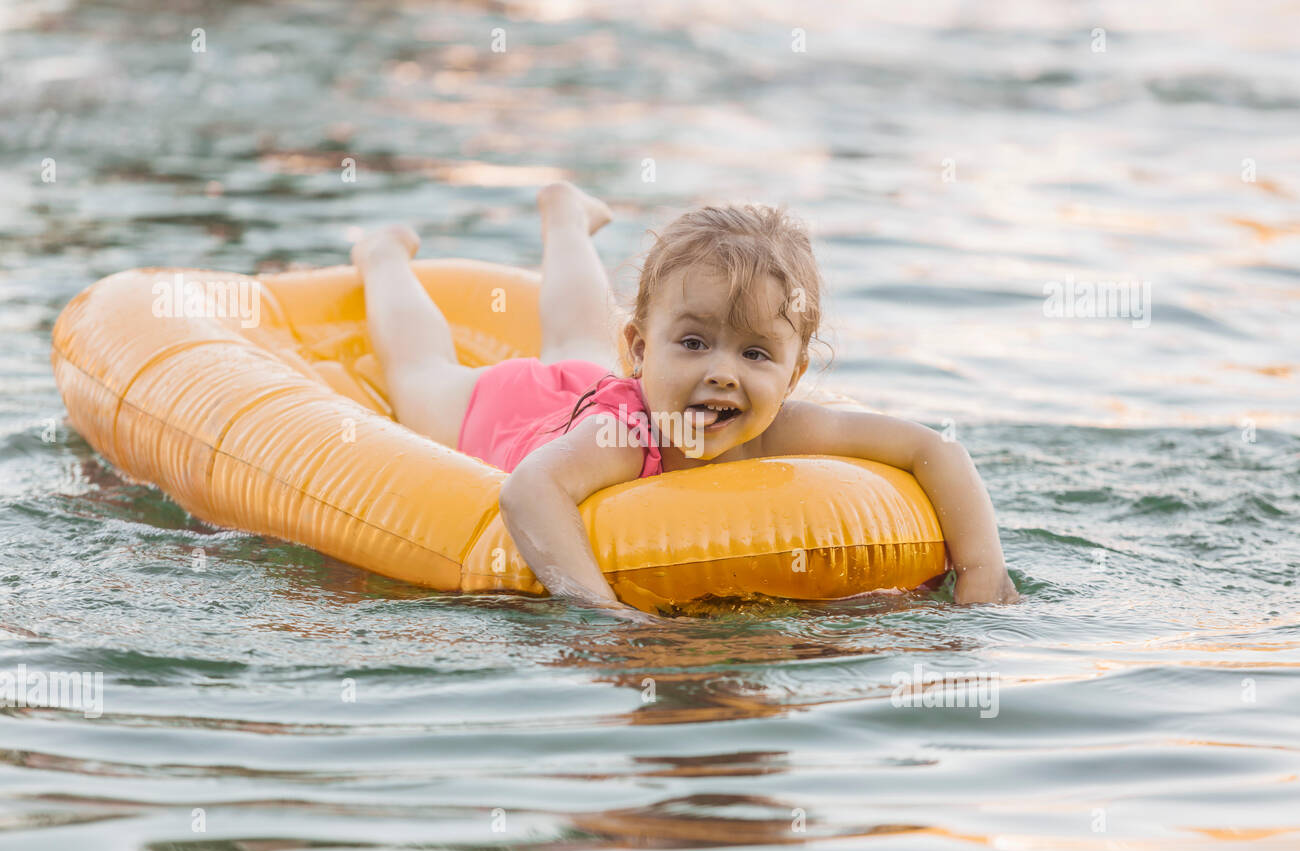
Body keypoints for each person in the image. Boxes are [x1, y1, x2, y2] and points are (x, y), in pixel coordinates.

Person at [351, 182, 1019, 623]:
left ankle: (567, 220)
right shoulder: (622, 435)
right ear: (640, 350)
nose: (722, 375)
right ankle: (382, 258)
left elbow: (934, 449)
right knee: (424, 376)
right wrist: (598, 613)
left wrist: (982, 570)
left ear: (794, 374)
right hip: (512, 411)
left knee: (576, 341)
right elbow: (529, 491)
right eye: (694, 342)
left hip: (589, 383)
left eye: (755, 354)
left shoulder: (784, 427)